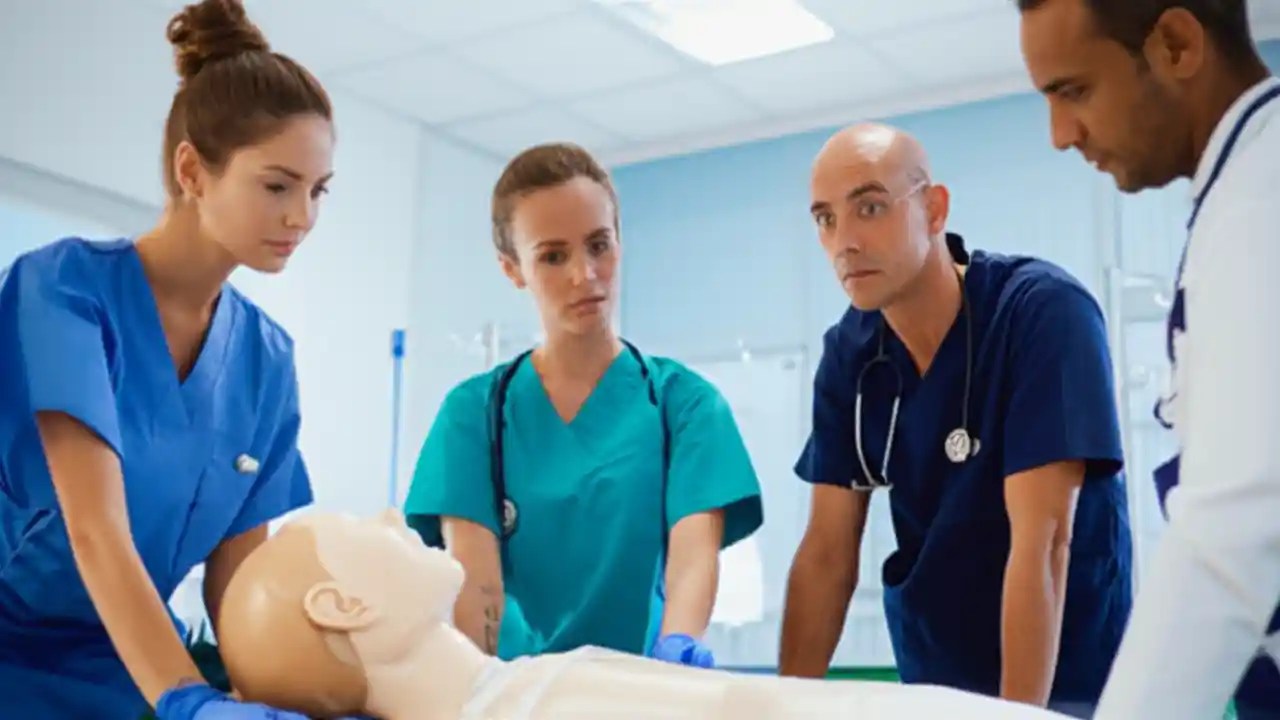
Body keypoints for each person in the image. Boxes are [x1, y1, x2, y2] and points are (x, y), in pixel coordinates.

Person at [0, 0, 337, 717]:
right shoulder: (62, 291)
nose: (302, 217)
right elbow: (95, 531)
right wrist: (188, 701)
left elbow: (238, 584)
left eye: (317, 190)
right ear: (193, 170)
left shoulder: (265, 360)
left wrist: (267, 692)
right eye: (278, 185)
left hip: (136, 669)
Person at [777, 122, 1133, 718]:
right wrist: (780, 707)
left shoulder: (1041, 313)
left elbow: (1044, 542)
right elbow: (826, 554)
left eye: (869, 206)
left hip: (1069, 688)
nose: (844, 241)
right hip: (937, 681)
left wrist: (1015, 718)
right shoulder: (852, 355)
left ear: (934, 209)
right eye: (825, 219)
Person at [403, 142, 764, 669]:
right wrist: (475, 689)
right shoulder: (474, 415)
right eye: (553, 256)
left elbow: (692, 556)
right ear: (512, 268)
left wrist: (675, 650)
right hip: (516, 697)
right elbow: (476, 586)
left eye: (599, 245)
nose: (584, 274)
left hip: (641, 690)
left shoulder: (683, 405)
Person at [1016, 1, 1280, 718]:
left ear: (1175, 44)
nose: (1060, 135)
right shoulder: (1237, 193)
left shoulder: (1262, 203)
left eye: (1073, 92)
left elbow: (1231, 538)